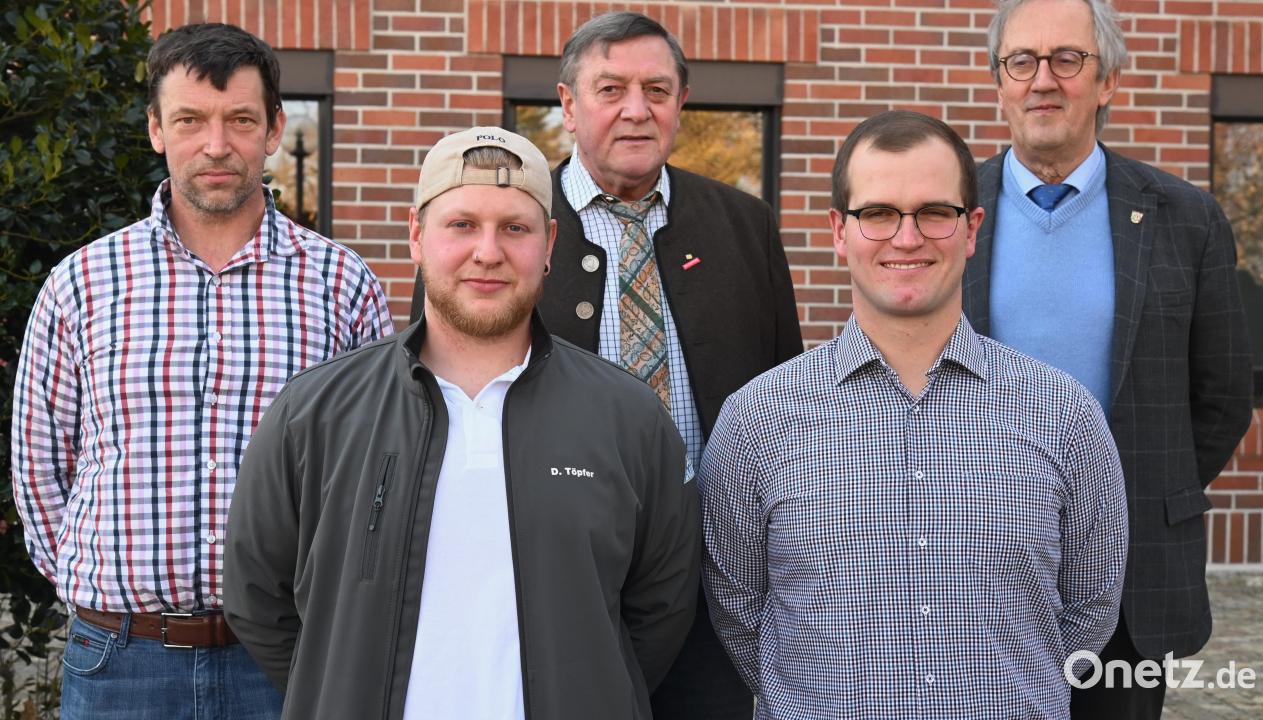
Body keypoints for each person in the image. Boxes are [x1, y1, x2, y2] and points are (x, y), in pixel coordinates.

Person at [223, 126, 701, 720]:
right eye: (462, 225)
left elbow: (661, 605)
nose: (489, 252)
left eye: (515, 228)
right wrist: (339, 687)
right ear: (417, 237)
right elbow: (257, 598)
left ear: (548, 244)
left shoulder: (627, 418)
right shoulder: (314, 414)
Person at [9, 22, 391, 720]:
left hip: (286, 660)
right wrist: (82, 579)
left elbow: (375, 467)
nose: (216, 145)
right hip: (120, 661)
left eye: (240, 119)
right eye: (190, 120)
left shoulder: (342, 285)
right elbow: (40, 465)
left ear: (275, 128)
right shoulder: (82, 285)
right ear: (156, 129)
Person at [700, 110, 1128, 719]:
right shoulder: (757, 420)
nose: (907, 238)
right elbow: (738, 610)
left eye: (934, 212)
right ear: (839, 231)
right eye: (877, 213)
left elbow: (1090, 610)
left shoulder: (1063, 414)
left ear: (972, 228)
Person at [964, 1, 1253, 716]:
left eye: (1069, 59)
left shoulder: (1186, 218)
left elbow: (1221, 397)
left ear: (1109, 81)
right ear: (999, 82)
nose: (1043, 81)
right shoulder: (945, 207)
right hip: (970, 562)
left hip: (1131, 576)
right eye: (1021, 61)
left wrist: (1137, 489)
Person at [533, 12, 804, 717]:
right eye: (610, 88)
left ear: (682, 102)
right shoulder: (512, 226)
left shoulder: (744, 225)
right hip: (559, 584)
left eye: (656, 89)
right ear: (568, 105)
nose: (635, 109)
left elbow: (789, 400)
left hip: (716, 583)